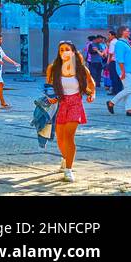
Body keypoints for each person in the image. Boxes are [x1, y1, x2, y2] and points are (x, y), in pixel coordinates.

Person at [45, 40, 95, 182]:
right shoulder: (53, 68)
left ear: (73, 52)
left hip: (75, 104)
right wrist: (50, 97)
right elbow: (48, 87)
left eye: (67, 49)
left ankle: (68, 169)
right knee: (60, 139)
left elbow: (91, 83)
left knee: (68, 136)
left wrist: (92, 94)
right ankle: (65, 157)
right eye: (61, 50)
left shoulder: (81, 69)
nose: (64, 52)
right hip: (60, 105)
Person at [108, 26, 131, 117]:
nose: (129, 32)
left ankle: (129, 110)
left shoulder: (125, 43)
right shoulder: (119, 43)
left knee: (128, 90)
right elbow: (120, 59)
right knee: (129, 89)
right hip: (125, 70)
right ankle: (112, 102)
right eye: (128, 31)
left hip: (129, 70)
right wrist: (122, 71)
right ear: (122, 32)